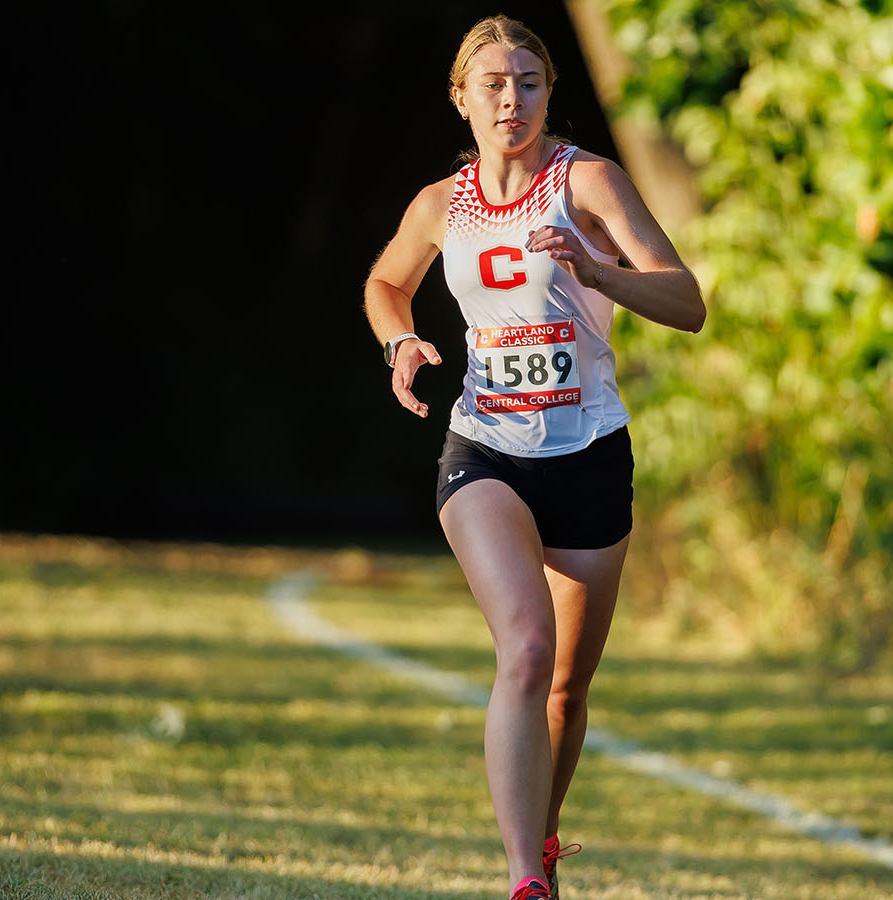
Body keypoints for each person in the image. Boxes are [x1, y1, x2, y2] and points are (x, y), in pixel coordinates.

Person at [363, 15, 704, 900]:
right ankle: (526, 882)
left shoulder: (588, 182)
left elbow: (686, 299)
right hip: (486, 448)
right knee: (524, 646)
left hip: (589, 450)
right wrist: (399, 342)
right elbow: (385, 281)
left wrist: (602, 276)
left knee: (563, 690)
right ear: (460, 98)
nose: (511, 99)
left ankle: (542, 841)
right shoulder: (443, 204)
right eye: (492, 83)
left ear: (550, 93)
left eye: (529, 82)